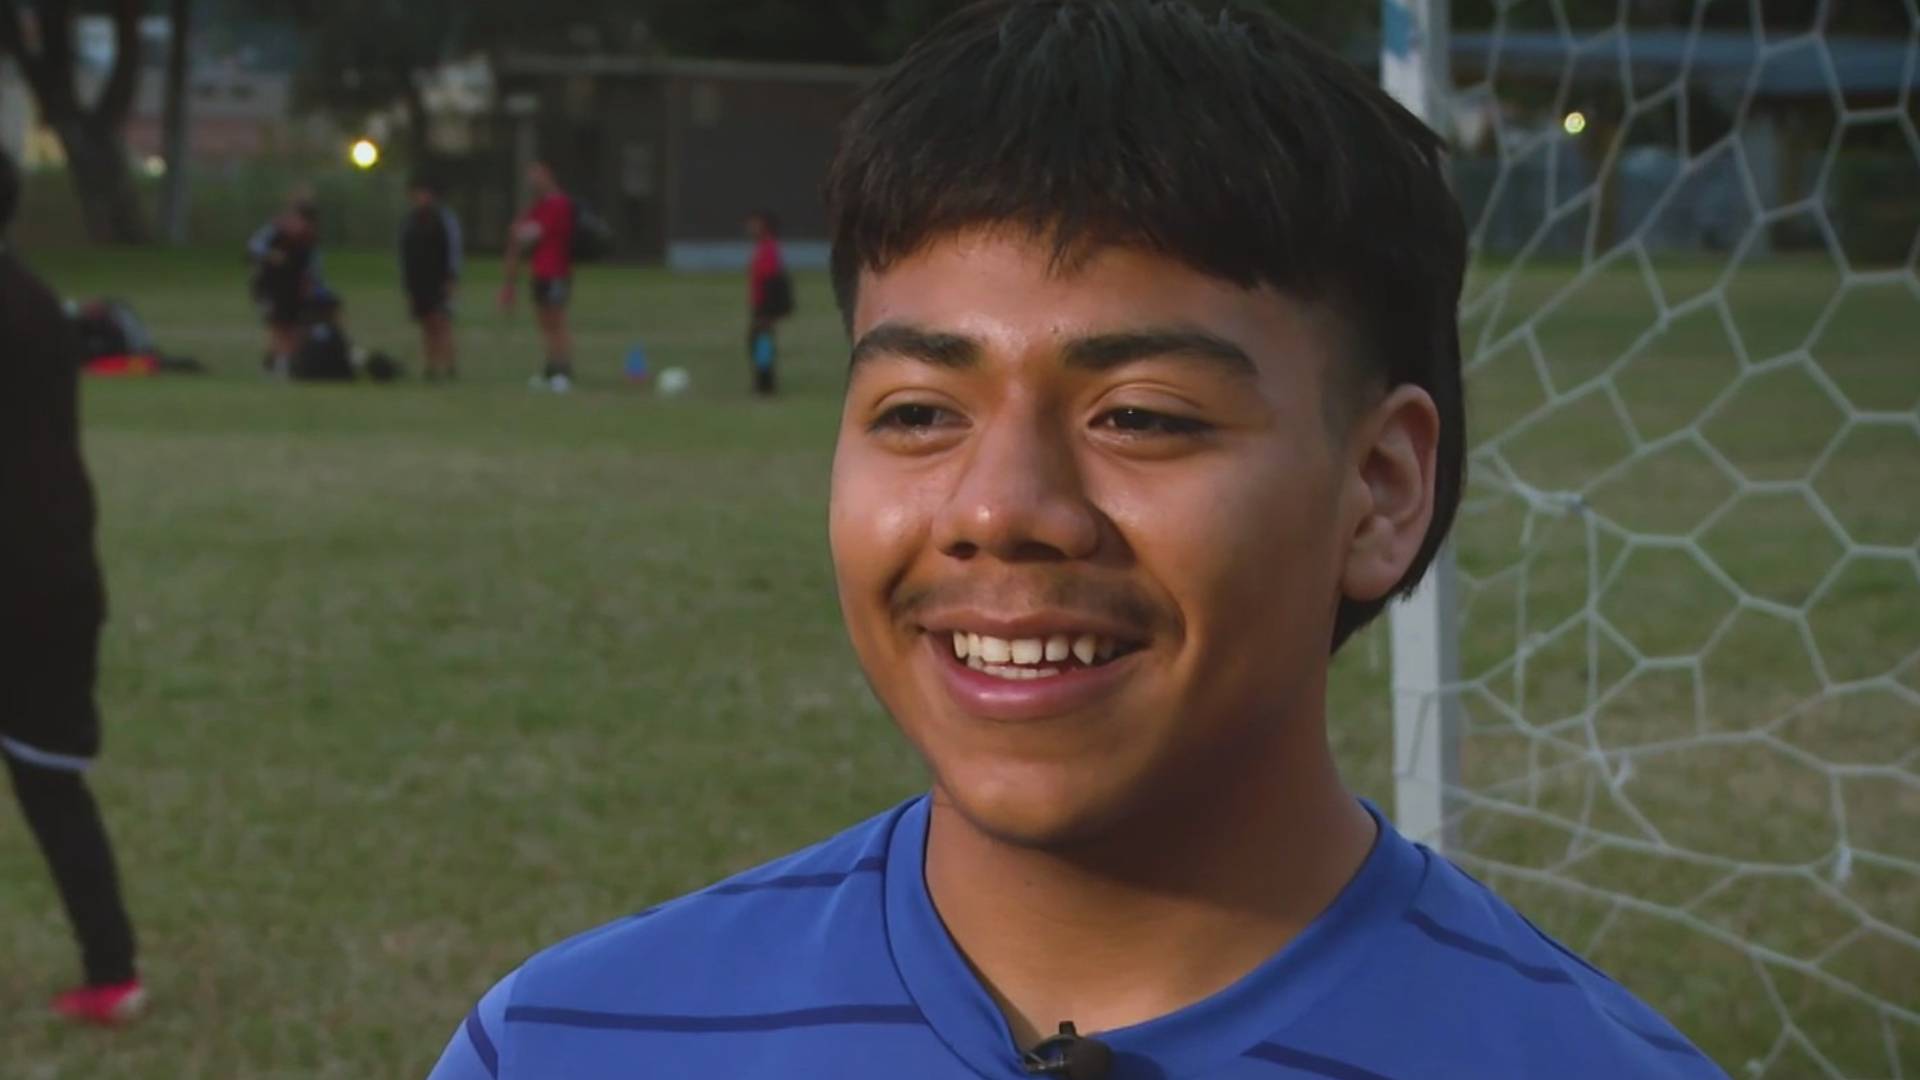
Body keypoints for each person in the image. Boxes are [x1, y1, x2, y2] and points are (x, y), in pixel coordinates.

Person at [428, 3, 1725, 1078]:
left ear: (1380, 491)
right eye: (921, 411)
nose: (999, 508)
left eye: (1143, 416)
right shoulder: (571, 1043)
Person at [0, 148, 145, 1027]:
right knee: (52, 783)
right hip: (57, 569)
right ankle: (113, 971)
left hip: (16, 577)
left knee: (48, 781)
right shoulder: (36, 303)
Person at [498, 160, 576, 393]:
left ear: (548, 176)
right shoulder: (538, 205)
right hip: (540, 271)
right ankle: (551, 366)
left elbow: (531, 233)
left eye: (537, 176)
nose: (533, 182)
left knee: (556, 320)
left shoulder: (558, 204)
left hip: (556, 271)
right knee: (544, 321)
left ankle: (563, 368)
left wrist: (519, 232)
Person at [248, 194, 321, 378]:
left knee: (292, 328)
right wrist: (271, 255)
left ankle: (285, 365)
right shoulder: (276, 231)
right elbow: (254, 247)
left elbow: (313, 266)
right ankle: (275, 365)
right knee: (278, 327)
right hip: (272, 287)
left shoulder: (308, 238)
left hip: (293, 289)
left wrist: (314, 285)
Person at [401, 171, 464, 381]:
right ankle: (431, 365)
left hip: (439, 280)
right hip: (419, 282)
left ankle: (449, 364)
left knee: (441, 322)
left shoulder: (443, 220)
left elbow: (452, 251)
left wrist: (451, 278)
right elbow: (405, 255)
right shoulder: (410, 221)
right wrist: (407, 285)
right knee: (426, 324)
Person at [745, 209, 793, 396]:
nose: (749, 227)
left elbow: (772, 281)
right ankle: (763, 381)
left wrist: (767, 312)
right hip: (760, 306)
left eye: (754, 223)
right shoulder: (764, 248)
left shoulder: (768, 249)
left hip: (764, 307)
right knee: (758, 342)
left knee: (761, 342)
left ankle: (765, 384)